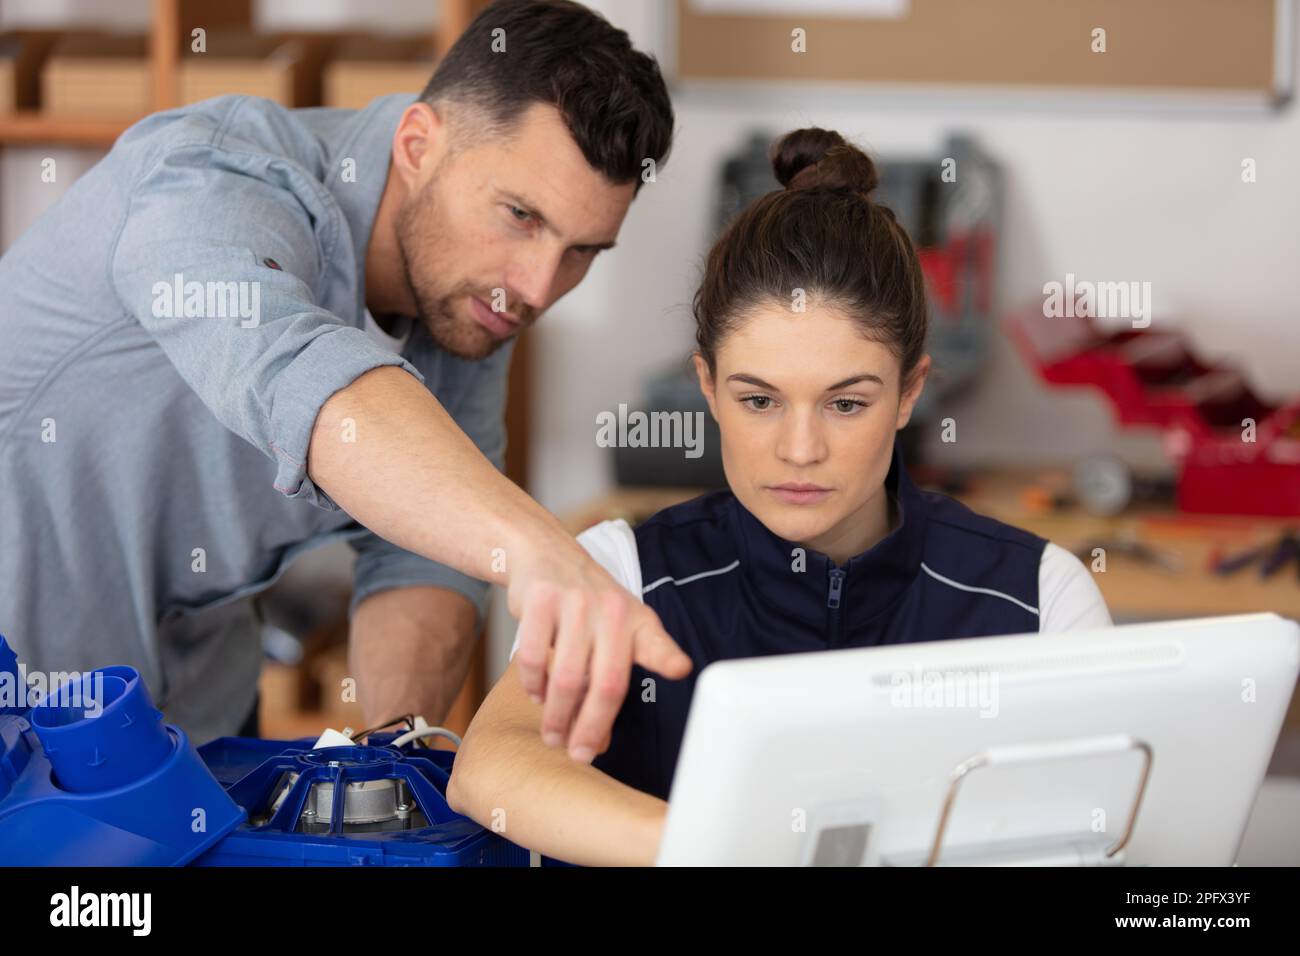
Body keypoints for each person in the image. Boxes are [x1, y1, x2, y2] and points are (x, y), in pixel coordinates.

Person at [0, 0, 691, 749]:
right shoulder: (210, 179)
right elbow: (301, 377)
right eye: (521, 214)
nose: (536, 286)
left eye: (583, 250)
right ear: (419, 145)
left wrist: (395, 750)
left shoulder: (469, 300)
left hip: (186, 721)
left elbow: (419, 554)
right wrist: (541, 548)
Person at [447, 128, 1114, 866]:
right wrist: (732, 848)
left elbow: (1115, 839)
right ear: (707, 386)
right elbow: (492, 770)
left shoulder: (1040, 601)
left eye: (847, 404)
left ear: (910, 393)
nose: (801, 451)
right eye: (759, 401)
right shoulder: (620, 576)